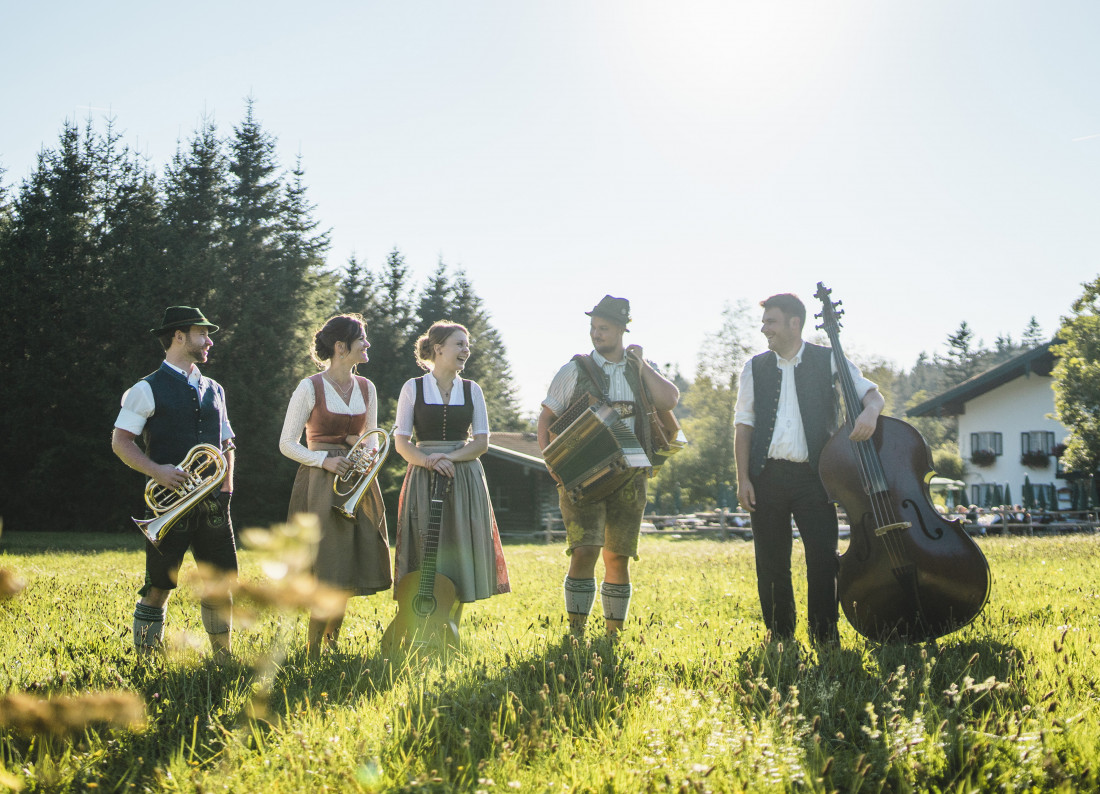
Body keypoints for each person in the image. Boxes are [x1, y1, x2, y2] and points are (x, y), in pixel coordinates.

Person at [734, 293, 884, 646]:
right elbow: (744, 425)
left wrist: (870, 412)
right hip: (766, 476)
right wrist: (743, 479)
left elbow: (871, 394)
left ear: (794, 323)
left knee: (822, 559)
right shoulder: (754, 367)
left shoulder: (828, 359)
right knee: (771, 562)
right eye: (764, 322)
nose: (764, 328)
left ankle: (824, 635)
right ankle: (780, 635)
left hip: (815, 477)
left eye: (770, 321)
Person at [537, 295, 680, 637]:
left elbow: (670, 400)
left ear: (621, 330)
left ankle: (613, 636)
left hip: (631, 475)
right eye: (593, 327)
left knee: (618, 556)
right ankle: (576, 633)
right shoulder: (574, 369)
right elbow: (545, 419)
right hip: (580, 474)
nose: (596, 333)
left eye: (603, 328)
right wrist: (552, 462)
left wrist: (642, 365)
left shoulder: (639, 370)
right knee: (585, 550)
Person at [111, 306, 237, 658]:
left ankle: (223, 659)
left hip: (214, 505)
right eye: (203, 334)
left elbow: (227, 443)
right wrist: (157, 471)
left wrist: (227, 487)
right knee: (159, 586)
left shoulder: (215, 388)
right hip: (168, 504)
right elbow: (121, 442)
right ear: (179, 337)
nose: (210, 341)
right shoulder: (146, 388)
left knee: (220, 585)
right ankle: (147, 660)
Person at [278, 314, 391, 657]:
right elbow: (287, 443)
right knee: (326, 565)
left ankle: (332, 646)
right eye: (362, 338)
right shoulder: (309, 387)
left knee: (347, 565)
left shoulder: (367, 387)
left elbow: (372, 438)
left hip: (355, 481)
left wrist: (365, 453)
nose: (367, 344)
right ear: (341, 347)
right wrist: (323, 461)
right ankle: (312, 650)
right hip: (320, 482)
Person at [392, 321, 510, 630]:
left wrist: (448, 459)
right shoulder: (413, 388)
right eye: (459, 344)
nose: (466, 350)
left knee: (460, 546)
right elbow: (402, 443)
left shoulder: (472, 390)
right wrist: (429, 462)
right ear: (438, 348)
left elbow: (481, 443)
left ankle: (450, 625)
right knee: (426, 545)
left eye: (467, 345)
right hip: (423, 476)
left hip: (463, 476)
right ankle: (420, 622)